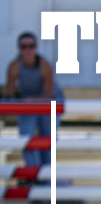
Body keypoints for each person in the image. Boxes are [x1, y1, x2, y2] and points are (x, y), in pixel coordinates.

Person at [5, 32, 64, 168]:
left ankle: (47, 176)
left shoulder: (44, 65)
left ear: (36, 48)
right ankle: (33, 174)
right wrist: (14, 102)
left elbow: (48, 94)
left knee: (47, 140)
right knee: (26, 139)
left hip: (48, 103)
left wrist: (29, 100)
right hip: (27, 104)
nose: (27, 50)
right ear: (19, 49)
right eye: (23, 46)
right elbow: (9, 93)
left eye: (31, 46)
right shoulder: (14, 66)